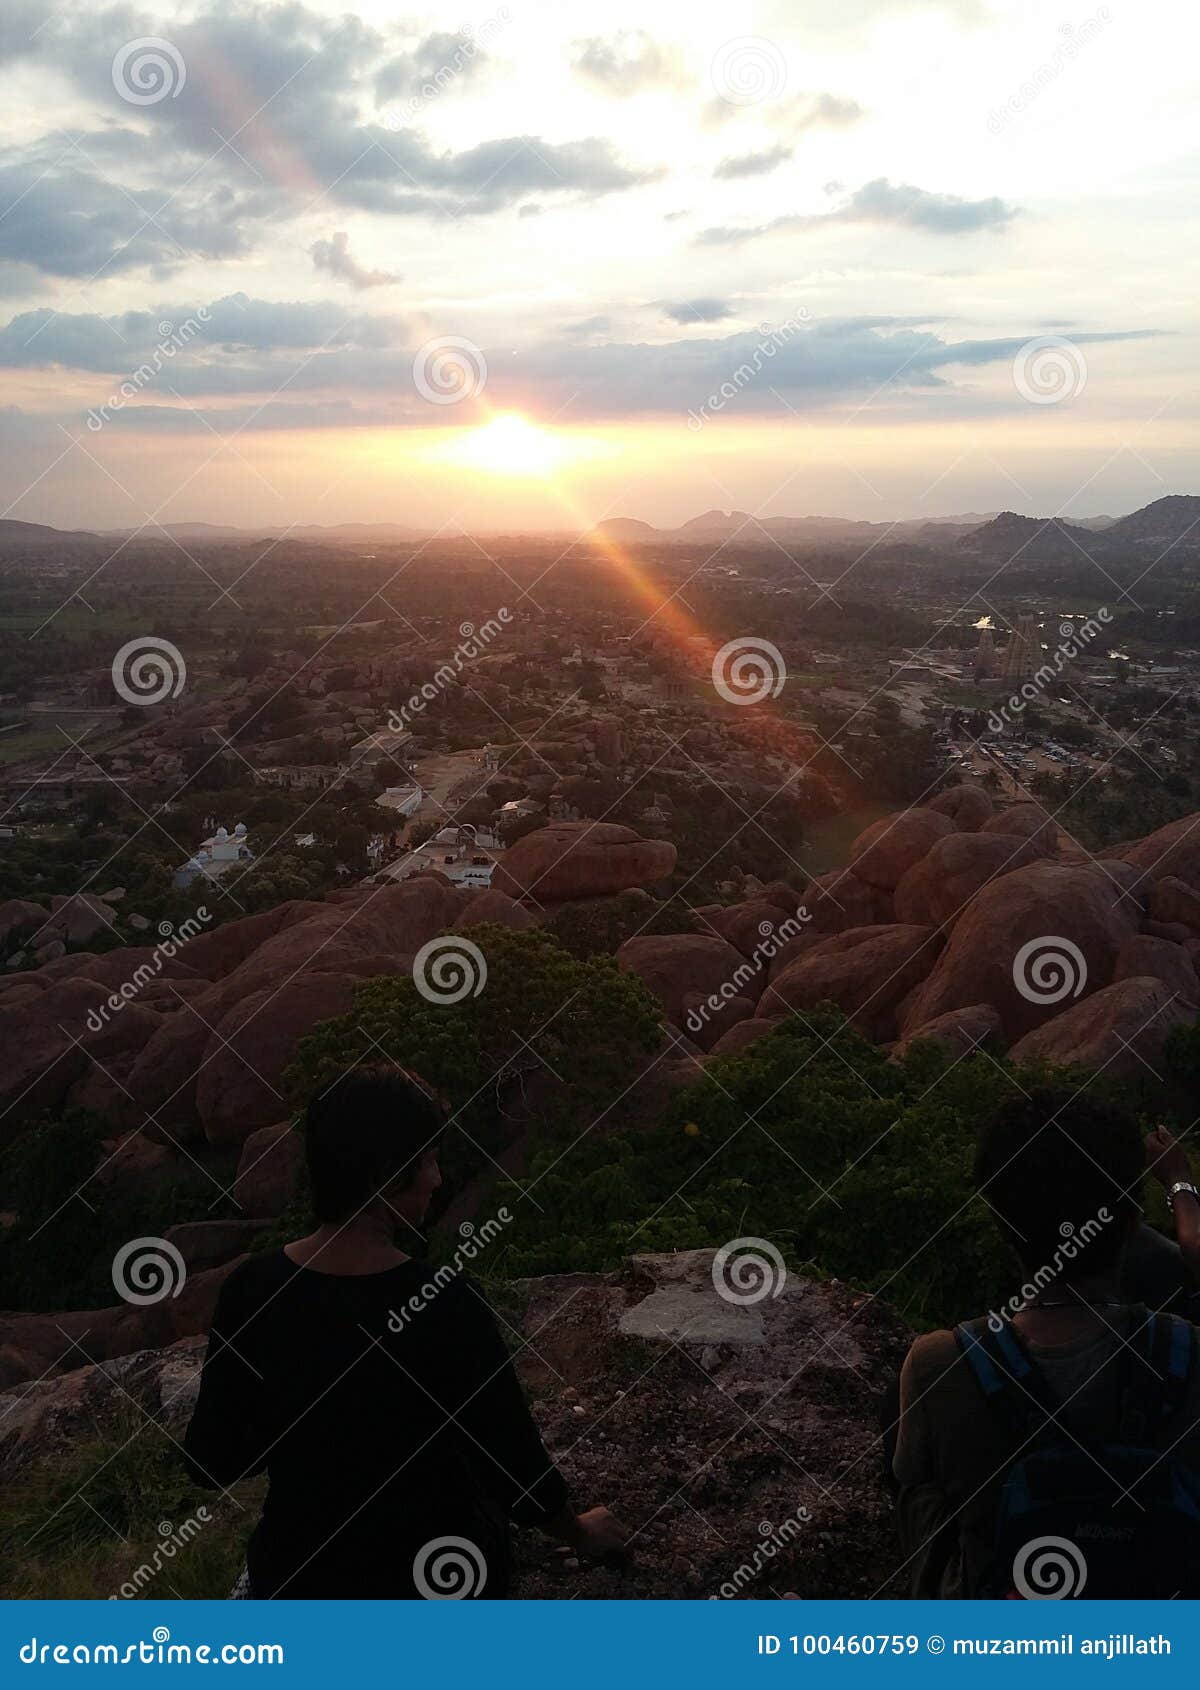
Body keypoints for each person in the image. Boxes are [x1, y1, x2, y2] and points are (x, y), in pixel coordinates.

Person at [184, 1065, 626, 1598]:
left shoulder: (252, 1290)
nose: (437, 1178)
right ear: (386, 1173)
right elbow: (514, 1463)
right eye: (429, 1160)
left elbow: (212, 1461)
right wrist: (580, 1533)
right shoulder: (445, 1302)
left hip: (300, 1579)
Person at [891, 1089, 1200, 1598]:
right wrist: (1181, 1186)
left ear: (1000, 1227)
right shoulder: (1189, 1353)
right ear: (1129, 1223)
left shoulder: (937, 1363)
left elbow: (912, 1482)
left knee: (910, 1455)